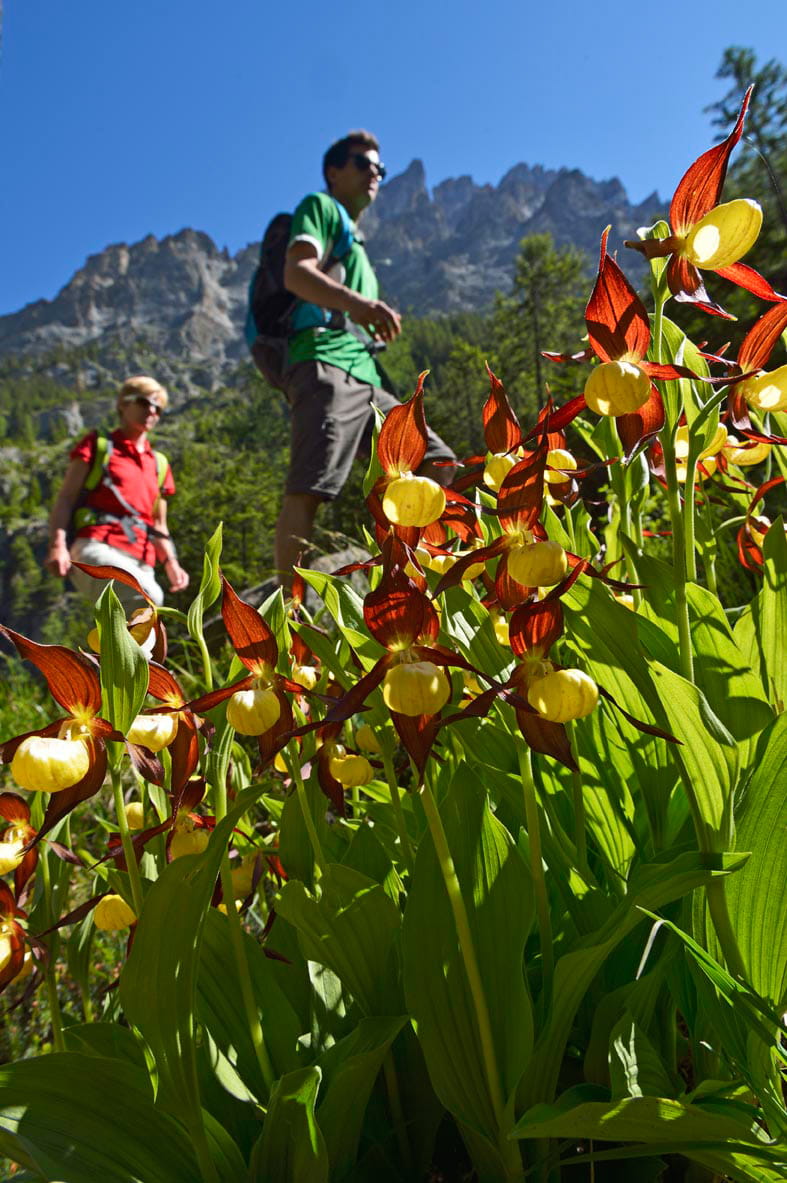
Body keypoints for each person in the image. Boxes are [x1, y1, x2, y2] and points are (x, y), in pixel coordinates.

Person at [252, 129, 455, 587]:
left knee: (439, 464)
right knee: (310, 484)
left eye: (380, 168)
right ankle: (291, 615)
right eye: (364, 164)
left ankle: (412, 572)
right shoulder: (319, 208)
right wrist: (361, 306)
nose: (376, 175)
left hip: (365, 374)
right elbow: (297, 273)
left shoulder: (356, 243)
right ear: (334, 171)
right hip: (323, 364)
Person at [45, 375, 189, 610]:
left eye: (158, 408)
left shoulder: (159, 465)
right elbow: (66, 498)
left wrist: (171, 563)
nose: (152, 411)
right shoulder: (99, 445)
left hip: (143, 561)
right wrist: (57, 545)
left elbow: (158, 524)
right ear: (123, 404)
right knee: (145, 598)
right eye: (144, 403)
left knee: (148, 627)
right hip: (96, 546)